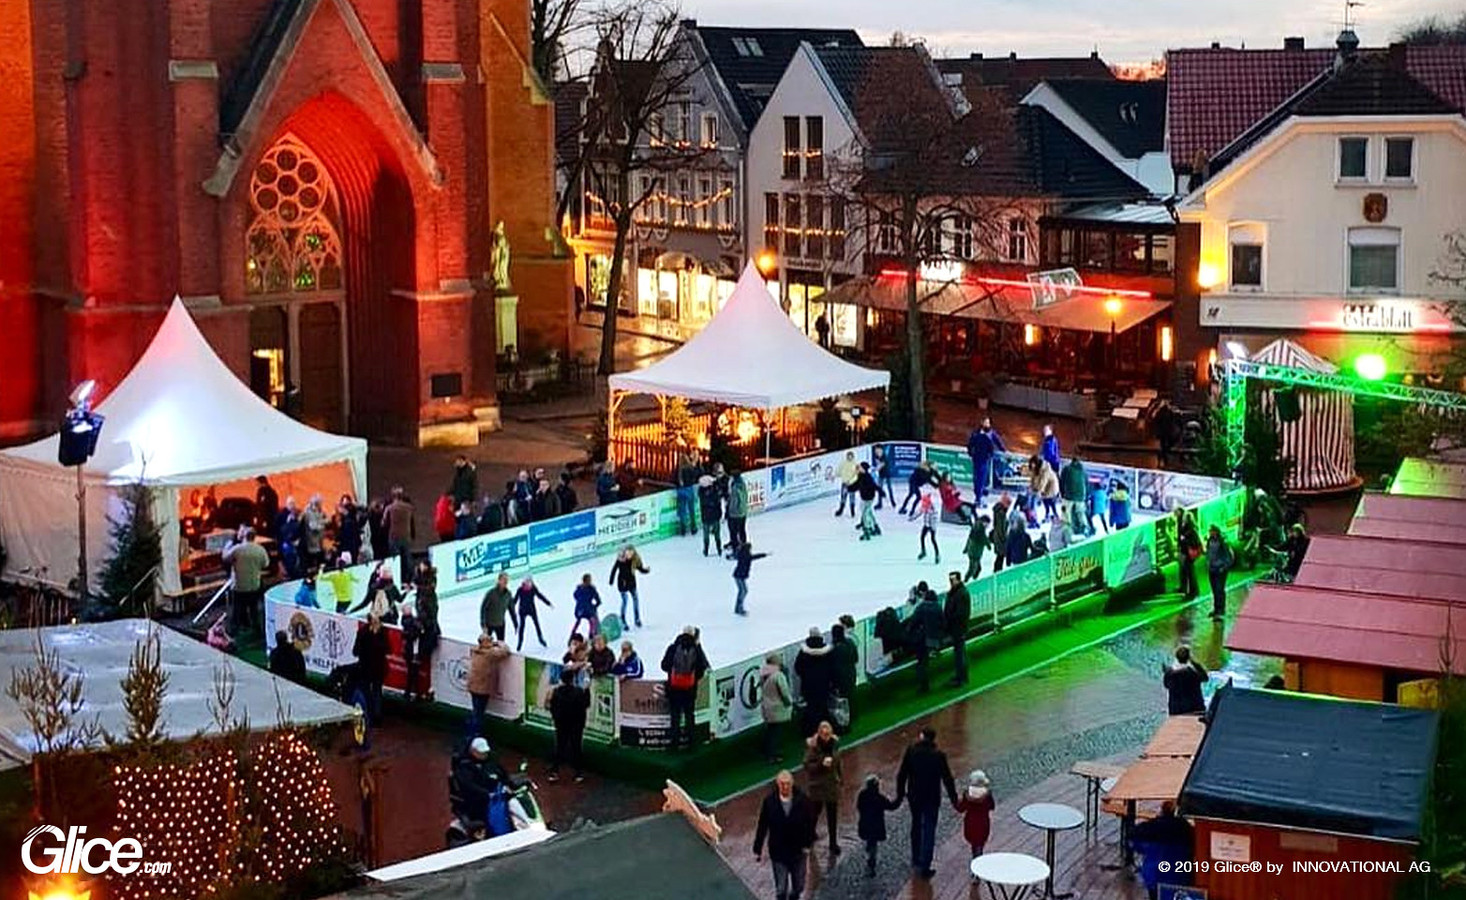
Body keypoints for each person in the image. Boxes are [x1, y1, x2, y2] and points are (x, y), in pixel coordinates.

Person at [896, 727, 960, 879]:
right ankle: (925, 864)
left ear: (922, 736)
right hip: (931, 798)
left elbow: (902, 774)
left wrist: (899, 795)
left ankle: (915, 857)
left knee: (916, 825)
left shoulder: (911, 751)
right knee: (929, 830)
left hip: (914, 796)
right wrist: (954, 800)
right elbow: (947, 779)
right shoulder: (938, 756)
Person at [753, 770, 816, 900]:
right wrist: (758, 847)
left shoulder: (803, 801)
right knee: (781, 889)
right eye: (782, 784)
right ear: (778, 784)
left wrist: (808, 844)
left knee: (799, 885)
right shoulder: (770, 802)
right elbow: (763, 825)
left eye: (787, 784)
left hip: (798, 851)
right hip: (779, 852)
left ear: (792, 783)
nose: (785, 787)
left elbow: (810, 823)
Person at [1131, 801, 1195, 900]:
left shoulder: (1150, 827)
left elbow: (1135, 841)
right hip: (1180, 875)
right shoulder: (1186, 828)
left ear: (1161, 811)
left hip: (1155, 874)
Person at [661, 627, 710, 751]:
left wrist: (673, 674)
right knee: (689, 716)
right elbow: (703, 667)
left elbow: (664, 665)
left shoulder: (673, 647)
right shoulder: (696, 649)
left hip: (674, 689)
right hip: (689, 690)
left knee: (675, 717)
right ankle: (691, 744)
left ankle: (674, 745)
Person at [802, 720, 843, 855]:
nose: (826, 736)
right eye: (823, 734)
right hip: (817, 786)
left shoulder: (835, 745)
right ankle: (809, 833)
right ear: (819, 734)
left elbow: (838, 763)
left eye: (828, 734)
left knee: (832, 816)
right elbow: (807, 766)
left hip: (831, 784)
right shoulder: (812, 747)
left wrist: (840, 778)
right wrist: (820, 764)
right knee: (815, 812)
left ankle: (833, 843)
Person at [223, 526, 270, 634]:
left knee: (237, 610)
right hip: (254, 584)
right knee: (254, 610)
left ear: (244, 536)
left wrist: (227, 546)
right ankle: (257, 632)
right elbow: (266, 564)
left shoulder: (237, 549)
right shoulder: (260, 549)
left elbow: (225, 558)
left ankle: (235, 632)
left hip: (239, 586)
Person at [404, 566, 441, 702]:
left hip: (421, 642)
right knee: (415, 670)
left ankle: (414, 693)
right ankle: (414, 693)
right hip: (417, 646)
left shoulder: (426, 599)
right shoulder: (426, 598)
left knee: (416, 670)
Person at [547, 668, 590, 783]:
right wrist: (587, 689)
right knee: (576, 748)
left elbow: (552, 707)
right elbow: (586, 705)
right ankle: (578, 773)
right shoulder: (579, 692)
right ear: (573, 679)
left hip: (561, 724)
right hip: (576, 725)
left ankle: (554, 772)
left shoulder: (556, 692)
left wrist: (556, 719)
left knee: (560, 747)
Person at [857, 773, 900, 877]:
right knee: (873, 844)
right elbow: (891, 806)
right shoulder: (879, 798)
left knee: (869, 840)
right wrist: (900, 798)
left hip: (865, 823)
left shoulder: (862, 795)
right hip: (877, 825)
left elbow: (858, 807)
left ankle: (870, 854)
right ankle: (872, 860)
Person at [466, 634, 510, 736]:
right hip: (482, 689)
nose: (491, 642)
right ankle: (475, 735)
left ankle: (471, 733)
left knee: (476, 711)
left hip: (473, 686)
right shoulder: (490, 654)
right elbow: (505, 651)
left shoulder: (475, 651)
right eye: (489, 640)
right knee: (479, 714)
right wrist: (499, 643)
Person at [793, 628, 834, 736]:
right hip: (824, 684)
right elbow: (832, 666)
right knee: (823, 706)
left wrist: (806, 676)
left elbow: (798, 667)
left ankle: (810, 730)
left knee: (811, 707)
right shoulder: (827, 650)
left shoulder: (804, 652)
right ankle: (826, 729)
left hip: (809, 686)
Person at [353, 614, 390, 724]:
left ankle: (368, 714)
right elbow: (388, 649)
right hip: (379, 667)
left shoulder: (362, 632)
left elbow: (355, 651)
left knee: (366, 692)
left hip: (365, 667)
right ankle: (377, 716)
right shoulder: (383, 632)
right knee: (377, 691)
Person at [908, 587, 945, 694]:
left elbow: (913, 623)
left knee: (921, 663)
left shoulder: (921, 608)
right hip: (934, 639)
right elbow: (942, 623)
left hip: (922, 639)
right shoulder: (938, 608)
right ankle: (925, 683)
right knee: (925, 662)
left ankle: (923, 686)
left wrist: (910, 634)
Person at [955, 770, 995, 867]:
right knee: (980, 842)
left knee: (974, 843)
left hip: (970, 822)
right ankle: (978, 860)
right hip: (983, 822)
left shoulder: (967, 794)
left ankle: (976, 858)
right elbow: (992, 806)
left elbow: (960, 808)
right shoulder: (987, 795)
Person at [759, 654, 794, 763]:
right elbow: (784, 692)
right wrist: (789, 703)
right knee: (776, 732)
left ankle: (768, 752)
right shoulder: (778, 675)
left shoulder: (763, 674)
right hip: (777, 707)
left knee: (770, 730)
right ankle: (773, 755)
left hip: (766, 706)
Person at [608, 545, 650, 628]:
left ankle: (637, 619)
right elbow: (614, 569)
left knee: (635, 600)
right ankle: (623, 620)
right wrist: (611, 580)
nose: (629, 555)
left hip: (631, 583)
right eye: (628, 552)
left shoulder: (634, 560)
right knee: (625, 601)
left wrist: (646, 570)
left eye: (631, 553)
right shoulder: (620, 560)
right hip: (622, 584)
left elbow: (640, 568)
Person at [1163, 646, 1208, 715]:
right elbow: (1205, 678)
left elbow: (1166, 685)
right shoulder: (1192, 673)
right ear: (1188, 658)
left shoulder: (1169, 673)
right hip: (1194, 709)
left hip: (1175, 709)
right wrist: (1194, 663)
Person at [944, 572, 971, 687]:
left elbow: (961, 613)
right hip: (955, 628)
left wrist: (950, 619)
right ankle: (960, 676)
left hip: (958, 628)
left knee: (960, 654)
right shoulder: (955, 593)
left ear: (958, 580)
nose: (951, 582)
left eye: (953, 580)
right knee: (959, 653)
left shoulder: (962, 594)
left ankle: (961, 678)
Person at [829, 623, 858, 729]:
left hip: (840, 677)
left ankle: (844, 720)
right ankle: (853, 714)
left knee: (842, 699)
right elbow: (856, 658)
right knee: (851, 694)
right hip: (851, 673)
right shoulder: (850, 643)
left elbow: (832, 665)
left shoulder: (834, 649)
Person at [513, 577, 553, 650]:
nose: (528, 584)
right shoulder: (520, 590)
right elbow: (515, 600)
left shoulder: (533, 589)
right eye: (526, 583)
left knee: (537, 624)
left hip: (531, 610)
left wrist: (548, 603)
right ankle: (520, 642)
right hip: (522, 610)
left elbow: (540, 596)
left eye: (529, 583)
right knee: (522, 626)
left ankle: (540, 639)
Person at [732, 540, 768, 616]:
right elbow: (754, 557)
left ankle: (738, 607)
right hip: (739, 576)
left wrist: (764, 554)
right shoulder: (746, 556)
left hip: (739, 576)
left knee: (743, 591)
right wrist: (764, 555)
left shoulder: (742, 555)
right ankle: (739, 608)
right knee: (743, 591)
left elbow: (753, 556)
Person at [384, 487, 415, 575]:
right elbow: (412, 523)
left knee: (395, 559)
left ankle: (397, 576)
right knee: (407, 557)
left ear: (393, 496)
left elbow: (384, 523)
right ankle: (409, 577)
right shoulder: (409, 507)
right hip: (406, 535)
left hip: (393, 536)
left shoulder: (389, 508)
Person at [1205, 525, 1233, 620]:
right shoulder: (1210, 540)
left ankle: (1221, 610)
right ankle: (1216, 608)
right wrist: (1208, 563)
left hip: (1220, 569)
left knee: (1219, 589)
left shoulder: (1223, 542)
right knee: (1214, 590)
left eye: (1211, 531)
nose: (1210, 533)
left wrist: (1224, 567)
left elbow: (1229, 556)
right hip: (1212, 569)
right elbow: (1208, 553)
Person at [479, 572, 515, 641]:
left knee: (501, 644)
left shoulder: (508, 594)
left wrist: (515, 622)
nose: (506, 581)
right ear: (499, 580)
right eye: (504, 579)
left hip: (500, 624)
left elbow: (511, 609)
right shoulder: (491, 593)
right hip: (489, 624)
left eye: (507, 580)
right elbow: (483, 608)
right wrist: (483, 624)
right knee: (486, 645)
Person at [966, 422, 997, 502]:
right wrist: (988, 456)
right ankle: (978, 496)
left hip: (977, 460)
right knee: (980, 479)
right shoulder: (985, 438)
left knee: (977, 478)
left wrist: (971, 454)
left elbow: (969, 445)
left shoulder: (976, 436)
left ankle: (978, 493)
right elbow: (991, 449)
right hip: (982, 461)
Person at [1059, 455, 1089, 536]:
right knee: (1080, 513)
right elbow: (1087, 483)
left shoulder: (1066, 469)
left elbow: (1061, 482)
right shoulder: (1083, 470)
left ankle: (1067, 528)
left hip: (1068, 495)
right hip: (1081, 496)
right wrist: (1085, 496)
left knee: (1066, 513)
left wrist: (1062, 494)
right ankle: (1084, 527)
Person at [675, 453, 703, 537]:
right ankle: (693, 527)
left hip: (681, 491)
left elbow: (674, 480)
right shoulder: (690, 468)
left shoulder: (678, 470)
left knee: (682, 511)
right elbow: (696, 476)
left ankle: (682, 529)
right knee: (691, 510)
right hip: (689, 489)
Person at [698, 473, 726, 556]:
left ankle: (706, 550)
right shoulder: (714, 491)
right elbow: (718, 501)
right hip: (714, 515)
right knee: (717, 534)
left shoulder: (701, 492)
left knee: (706, 535)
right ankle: (718, 549)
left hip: (706, 516)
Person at [1176, 509, 1202, 600]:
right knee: (1185, 571)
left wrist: (1184, 539)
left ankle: (1193, 592)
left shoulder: (1191, 529)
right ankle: (1185, 589)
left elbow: (1194, 541)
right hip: (1185, 552)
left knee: (1190, 573)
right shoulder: (1185, 527)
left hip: (1189, 554)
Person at [853, 462, 882, 540]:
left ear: (864, 469)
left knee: (865, 514)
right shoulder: (860, 476)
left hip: (869, 498)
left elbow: (874, 485)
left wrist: (880, 491)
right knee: (868, 513)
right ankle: (875, 527)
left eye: (860, 467)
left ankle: (867, 531)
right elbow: (856, 485)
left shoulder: (868, 477)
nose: (859, 468)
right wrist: (850, 488)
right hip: (864, 498)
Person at [1028, 456, 1060, 523]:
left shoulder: (1045, 468)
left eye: (1033, 465)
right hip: (1043, 488)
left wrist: (1039, 491)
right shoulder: (1035, 469)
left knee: (1050, 501)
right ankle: (1047, 515)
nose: (1032, 467)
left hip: (1051, 486)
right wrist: (1031, 487)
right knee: (1045, 501)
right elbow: (1033, 479)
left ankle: (1055, 515)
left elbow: (1044, 481)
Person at [726, 470, 751, 555]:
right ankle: (744, 548)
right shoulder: (742, 484)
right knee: (742, 530)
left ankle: (736, 550)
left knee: (734, 533)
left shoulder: (735, 488)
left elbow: (734, 502)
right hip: (743, 512)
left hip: (735, 514)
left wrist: (730, 512)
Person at [571, 573, 602, 639]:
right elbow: (598, 600)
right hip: (587, 609)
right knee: (593, 620)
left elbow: (575, 596)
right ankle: (592, 634)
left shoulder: (579, 589)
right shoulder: (591, 589)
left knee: (579, 620)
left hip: (579, 609)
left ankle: (573, 633)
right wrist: (595, 606)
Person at [915, 487, 940, 564]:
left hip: (932, 525)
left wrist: (932, 527)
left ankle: (937, 554)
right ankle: (923, 551)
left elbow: (935, 518)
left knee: (933, 539)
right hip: (926, 524)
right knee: (922, 537)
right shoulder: (925, 504)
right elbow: (920, 511)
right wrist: (913, 517)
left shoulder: (933, 509)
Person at [962, 516, 990, 582]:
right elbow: (983, 539)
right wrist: (988, 545)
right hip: (975, 552)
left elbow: (970, 538)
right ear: (984, 522)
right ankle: (966, 580)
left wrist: (966, 548)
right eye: (987, 524)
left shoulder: (976, 526)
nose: (987, 525)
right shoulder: (980, 529)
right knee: (973, 568)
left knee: (977, 568)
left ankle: (972, 580)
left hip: (973, 550)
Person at [990, 494, 1011, 574]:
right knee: (1000, 556)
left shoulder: (998, 511)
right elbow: (1001, 528)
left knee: (999, 556)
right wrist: (1004, 539)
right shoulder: (1001, 514)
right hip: (1000, 538)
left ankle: (997, 571)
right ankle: (997, 571)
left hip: (997, 536)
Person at [834, 451, 859, 517]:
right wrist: (834, 475)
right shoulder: (843, 463)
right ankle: (841, 509)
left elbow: (856, 475)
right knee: (843, 497)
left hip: (852, 484)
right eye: (848, 456)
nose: (849, 457)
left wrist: (850, 481)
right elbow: (839, 471)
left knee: (852, 497)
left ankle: (852, 510)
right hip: (844, 483)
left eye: (851, 456)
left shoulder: (855, 464)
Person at [872, 445, 896, 509]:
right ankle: (880, 503)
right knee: (880, 489)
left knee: (889, 488)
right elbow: (878, 465)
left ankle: (892, 502)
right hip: (881, 474)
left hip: (887, 474)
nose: (876, 451)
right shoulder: (876, 456)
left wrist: (875, 469)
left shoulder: (884, 456)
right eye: (876, 450)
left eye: (878, 450)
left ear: (881, 450)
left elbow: (881, 465)